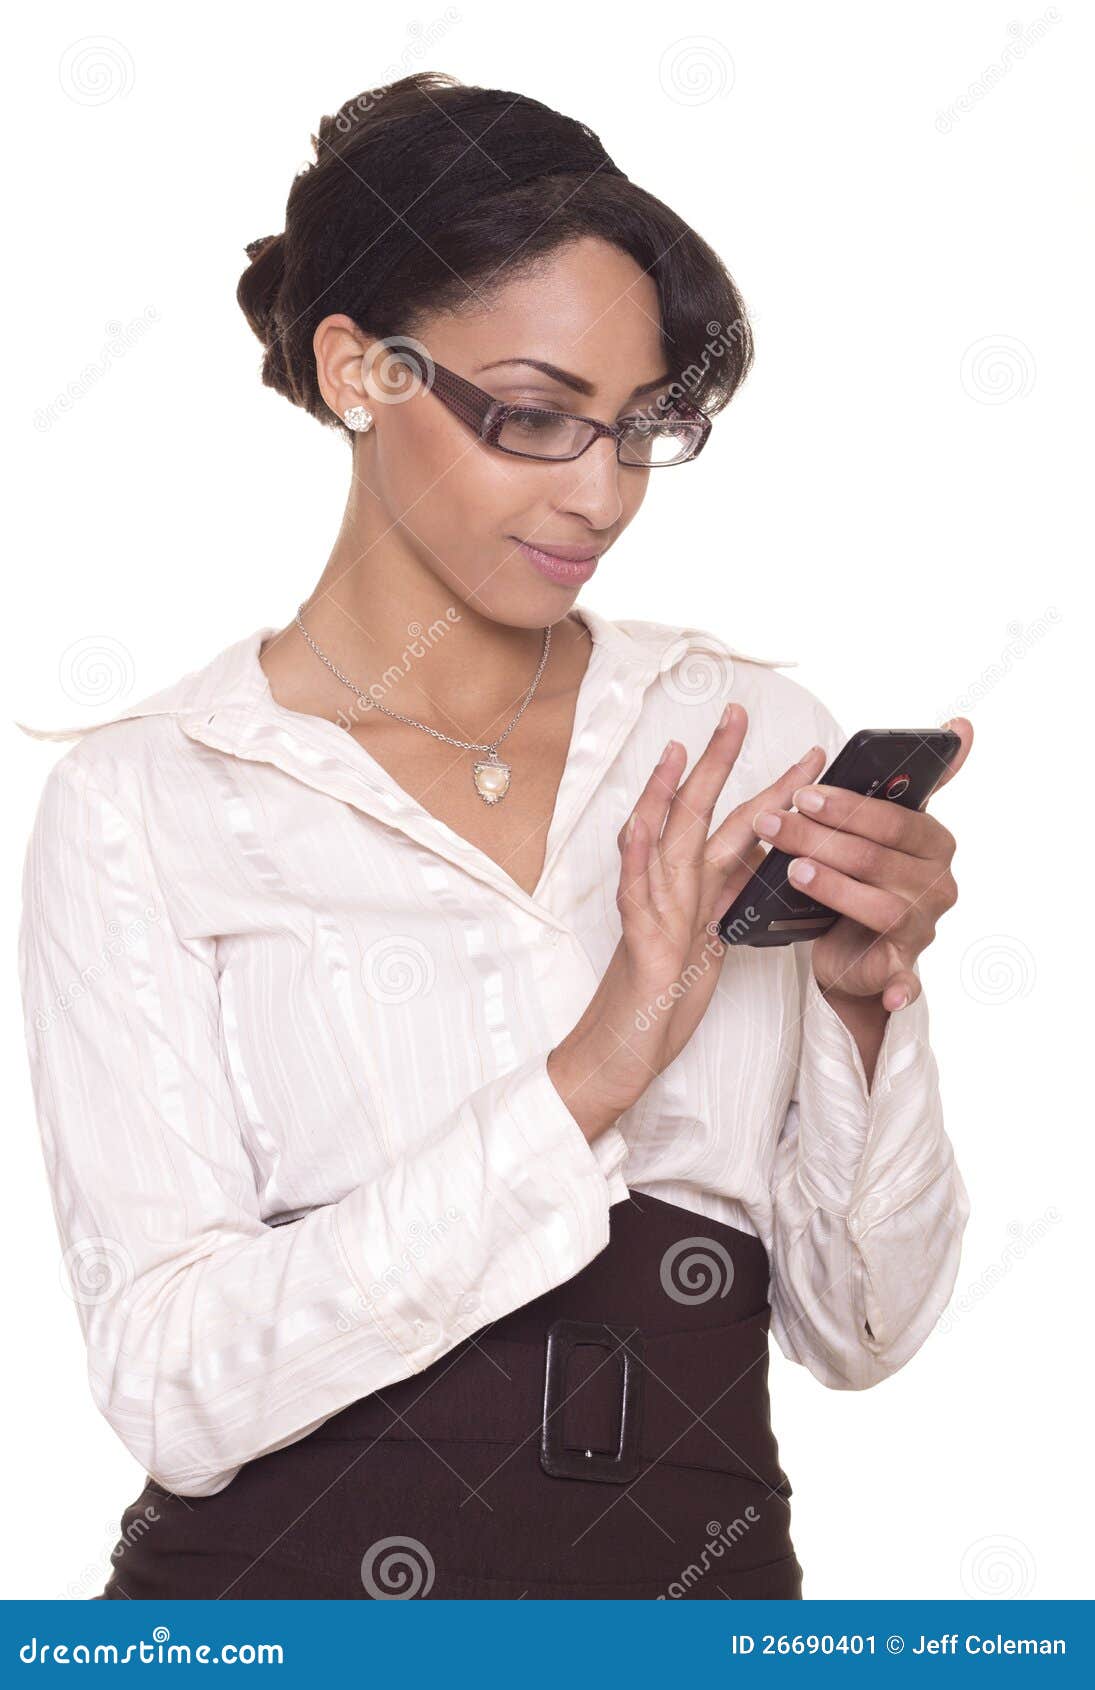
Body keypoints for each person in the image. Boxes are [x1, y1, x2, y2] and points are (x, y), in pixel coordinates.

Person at [16, 71, 972, 1601]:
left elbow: (865, 1327)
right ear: (359, 372)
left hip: (691, 1607)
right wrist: (597, 1066)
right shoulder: (152, 798)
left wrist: (865, 1014)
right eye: (531, 416)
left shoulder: (739, 737)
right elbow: (173, 1384)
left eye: (641, 428)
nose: (599, 493)